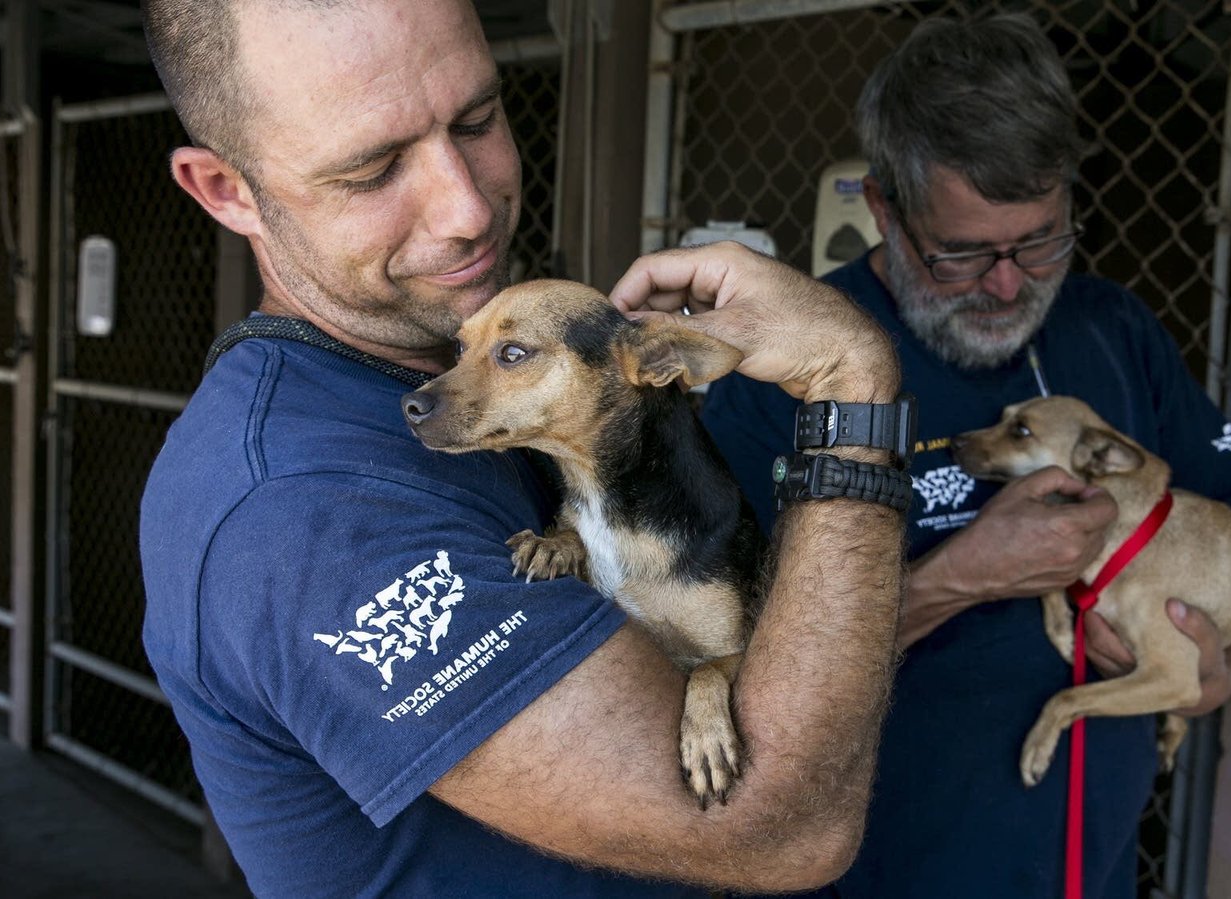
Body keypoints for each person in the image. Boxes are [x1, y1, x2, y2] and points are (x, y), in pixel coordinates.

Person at [136, 1, 915, 895]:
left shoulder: (471, 378)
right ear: (226, 190)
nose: (469, 210)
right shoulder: (299, 510)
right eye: (373, 169)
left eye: (478, 120)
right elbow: (785, 827)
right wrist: (851, 386)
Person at [700, 15, 1231, 898]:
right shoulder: (787, 369)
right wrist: (957, 577)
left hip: (1096, 872)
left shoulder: (1114, 330)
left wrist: (1216, 670)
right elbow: (724, 674)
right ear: (886, 209)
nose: (1009, 284)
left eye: (1040, 239)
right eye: (964, 252)